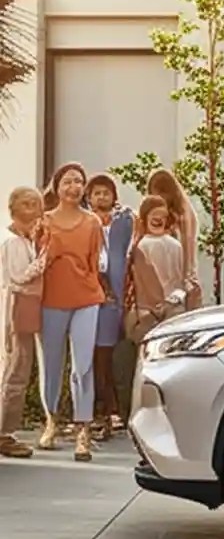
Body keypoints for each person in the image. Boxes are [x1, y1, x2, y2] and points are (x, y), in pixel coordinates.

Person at [38, 162, 107, 463]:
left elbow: (96, 262)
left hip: (86, 298)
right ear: (57, 186)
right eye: (68, 181)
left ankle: (83, 428)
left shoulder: (92, 222)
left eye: (79, 182)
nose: (74, 187)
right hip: (51, 299)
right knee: (51, 363)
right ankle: (51, 420)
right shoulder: (44, 221)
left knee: (82, 366)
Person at [0, 187, 49, 458]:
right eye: (26, 204)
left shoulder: (27, 239)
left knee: (20, 367)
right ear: (13, 208)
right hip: (16, 308)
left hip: (26, 307)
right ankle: (4, 433)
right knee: (15, 370)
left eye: (36, 203)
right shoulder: (12, 242)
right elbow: (19, 276)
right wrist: (43, 262)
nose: (32, 209)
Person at [86, 172, 133, 440]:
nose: (102, 197)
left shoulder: (124, 221)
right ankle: (100, 411)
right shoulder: (83, 222)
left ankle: (112, 410)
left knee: (110, 355)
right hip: (90, 296)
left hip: (117, 298)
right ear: (88, 198)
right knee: (94, 357)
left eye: (106, 192)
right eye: (96, 193)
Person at [123, 195, 187, 342]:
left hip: (160, 309)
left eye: (162, 216)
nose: (159, 219)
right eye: (154, 215)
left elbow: (179, 276)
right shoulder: (143, 246)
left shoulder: (145, 246)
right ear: (145, 218)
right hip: (161, 309)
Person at [145, 169, 201, 309]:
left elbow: (188, 250)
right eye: (155, 192)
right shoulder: (154, 213)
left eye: (163, 192)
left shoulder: (183, 216)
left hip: (179, 278)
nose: (159, 197)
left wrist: (187, 278)